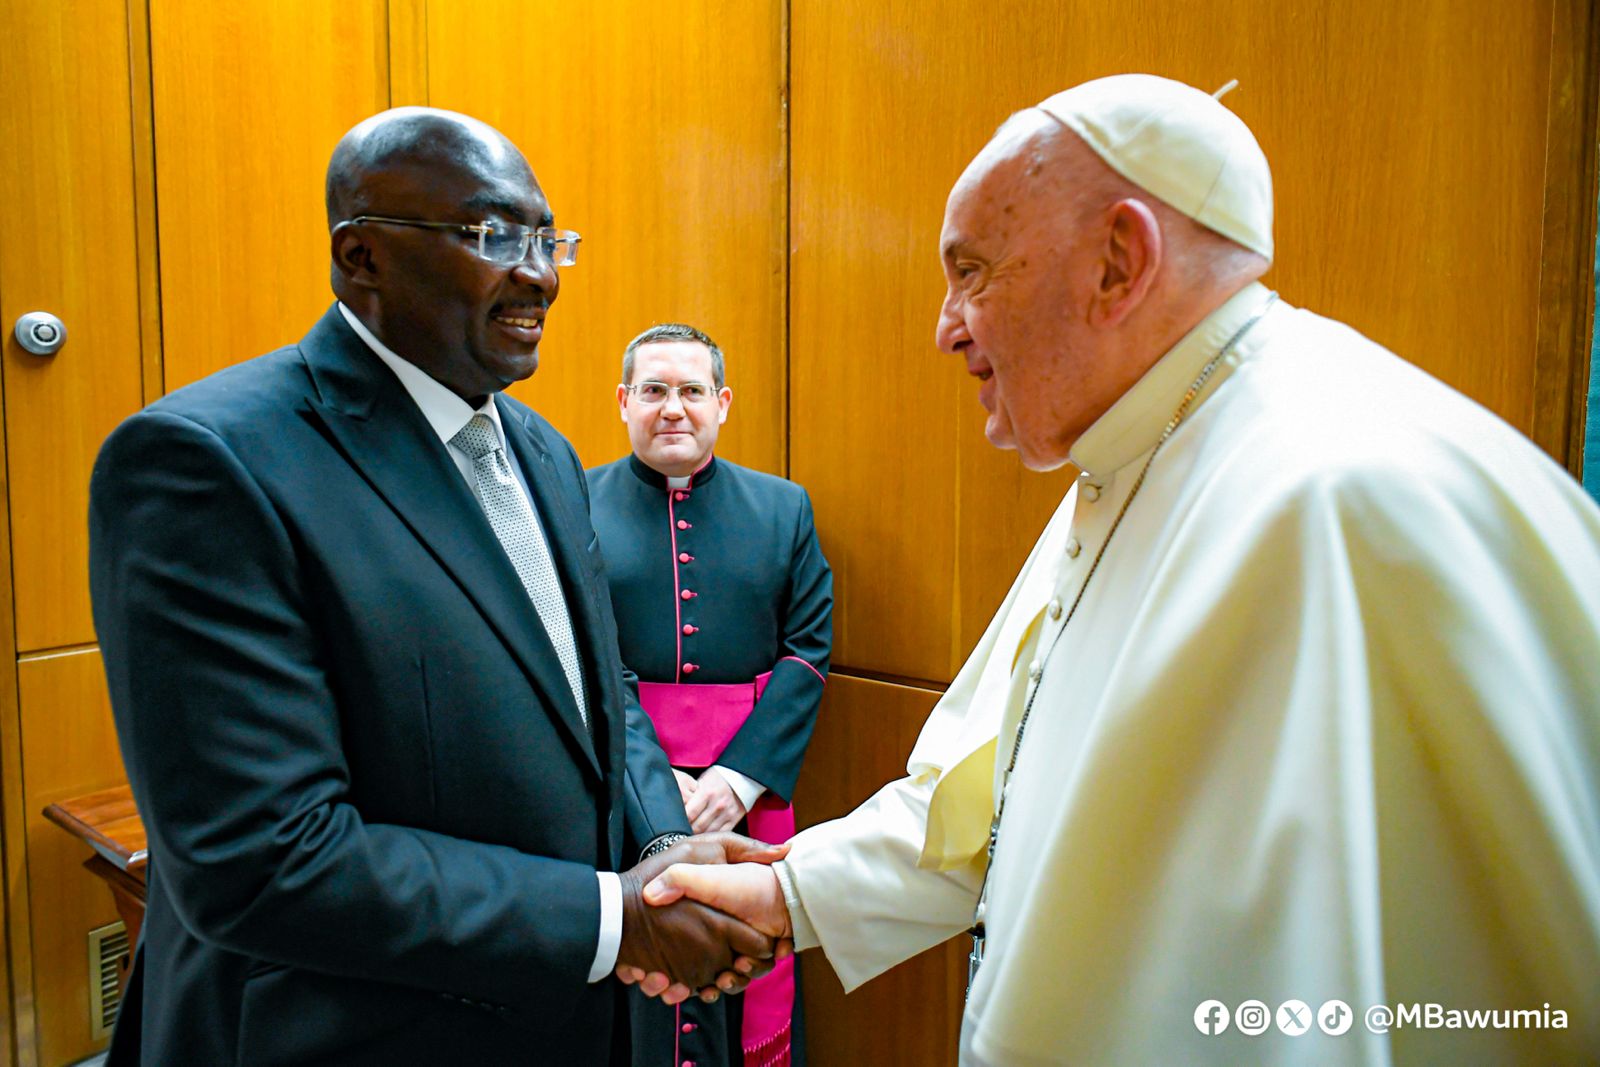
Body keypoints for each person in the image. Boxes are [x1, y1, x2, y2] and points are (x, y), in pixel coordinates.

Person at [635, 75, 1600, 1064]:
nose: (946, 325)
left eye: (971, 272)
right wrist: (790, 889)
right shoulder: (1145, 442)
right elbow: (1003, 788)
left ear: (1118, 261)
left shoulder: (1325, 492)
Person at [88, 107, 784, 1066]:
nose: (536, 272)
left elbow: (600, 694)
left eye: (549, 240)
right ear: (362, 255)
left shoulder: (541, 448)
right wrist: (611, 919)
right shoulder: (207, 462)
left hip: (559, 1019)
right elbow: (263, 860)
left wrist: (662, 852)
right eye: (495, 236)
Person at [588, 323, 832, 1067]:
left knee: (739, 966)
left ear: (721, 403)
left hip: (747, 792)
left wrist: (735, 779)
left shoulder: (784, 508)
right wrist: (657, 795)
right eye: (654, 390)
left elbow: (808, 655)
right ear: (625, 401)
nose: (673, 408)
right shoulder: (570, 502)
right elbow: (584, 655)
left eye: (692, 391)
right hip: (616, 785)